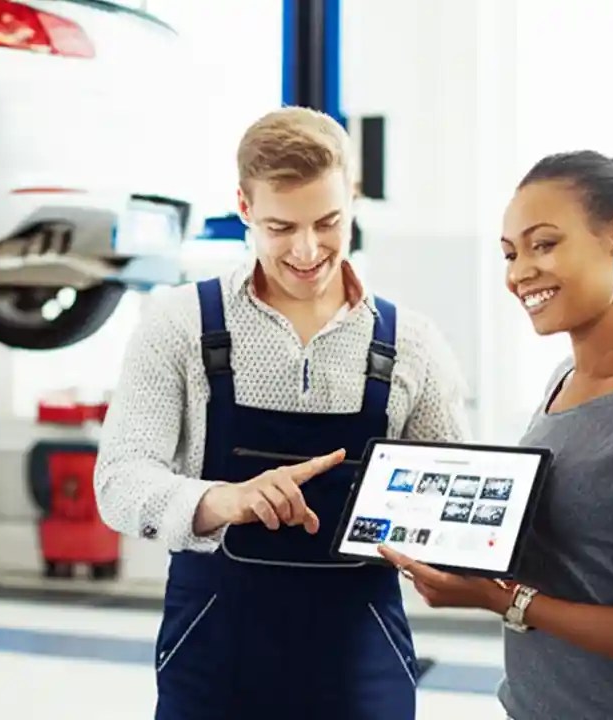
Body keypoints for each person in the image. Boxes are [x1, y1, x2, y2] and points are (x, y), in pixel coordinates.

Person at [93, 105, 472, 719]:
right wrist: (225, 500)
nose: (307, 249)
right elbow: (120, 482)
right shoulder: (180, 325)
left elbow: (452, 494)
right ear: (244, 208)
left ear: (352, 199)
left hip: (361, 663)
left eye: (328, 222)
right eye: (281, 227)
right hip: (215, 656)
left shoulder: (412, 344)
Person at [379, 147, 613, 720]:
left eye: (544, 244)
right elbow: (581, 563)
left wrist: (508, 601)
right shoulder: (563, 380)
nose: (519, 272)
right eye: (510, 253)